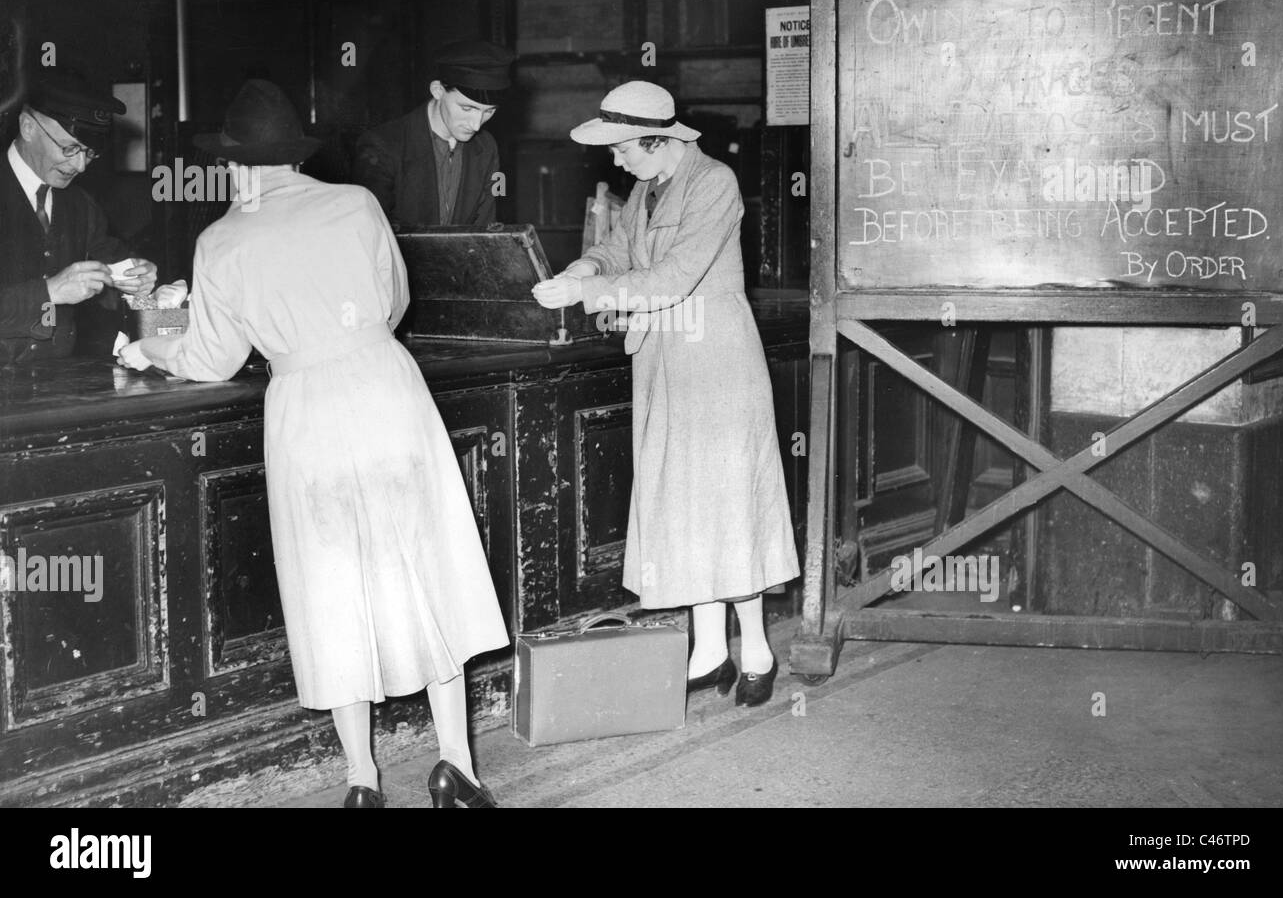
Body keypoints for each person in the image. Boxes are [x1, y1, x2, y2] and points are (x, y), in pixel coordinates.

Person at [117, 80, 509, 808]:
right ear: (295, 157)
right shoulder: (355, 204)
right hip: (388, 392)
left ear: (235, 166)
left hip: (304, 411)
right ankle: (457, 767)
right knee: (426, 569)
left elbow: (211, 359)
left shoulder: (221, 240)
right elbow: (394, 303)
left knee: (329, 588)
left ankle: (362, 779)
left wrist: (149, 354)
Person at [533, 81, 800, 708]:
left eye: (623, 149)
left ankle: (755, 649)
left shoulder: (715, 183)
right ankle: (710, 651)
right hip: (661, 359)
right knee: (684, 502)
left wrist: (590, 296)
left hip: (715, 360)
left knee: (729, 502)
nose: (616, 162)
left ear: (655, 139)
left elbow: (675, 277)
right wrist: (584, 270)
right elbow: (618, 248)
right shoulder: (648, 190)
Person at [0, 71, 157, 364]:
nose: (80, 165)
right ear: (28, 127)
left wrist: (136, 274)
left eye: (89, 152)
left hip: (57, 387)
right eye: (69, 148)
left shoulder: (81, 205)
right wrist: (48, 292)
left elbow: (110, 260)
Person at [353, 40, 512, 228]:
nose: (476, 125)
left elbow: (485, 228)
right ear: (437, 90)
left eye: (488, 111)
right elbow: (372, 233)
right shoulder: (383, 145)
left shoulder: (486, 147)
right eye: (467, 108)